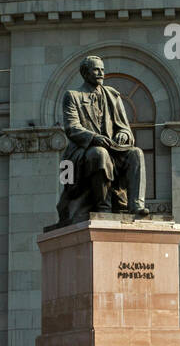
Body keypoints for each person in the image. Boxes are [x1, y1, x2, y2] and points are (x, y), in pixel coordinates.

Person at [56, 55, 150, 224]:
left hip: (113, 149)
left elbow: (125, 127)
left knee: (136, 153)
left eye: (102, 70)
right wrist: (94, 138)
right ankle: (104, 207)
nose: (100, 73)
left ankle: (136, 205)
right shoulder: (73, 96)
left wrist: (124, 134)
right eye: (96, 69)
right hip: (82, 153)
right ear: (85, 73)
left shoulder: (112, 95)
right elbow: (72, 128)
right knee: (100, 154)